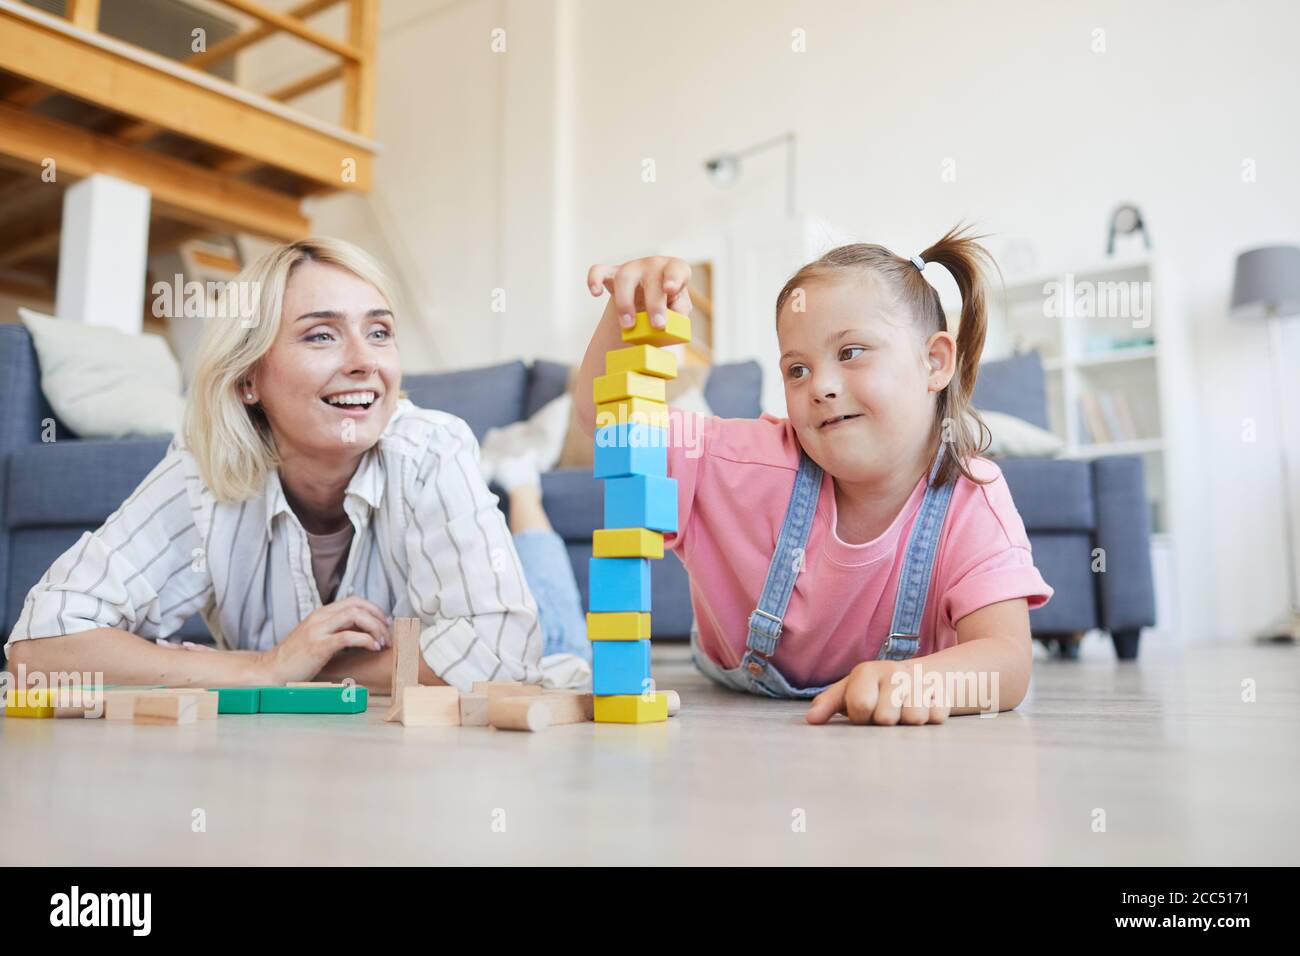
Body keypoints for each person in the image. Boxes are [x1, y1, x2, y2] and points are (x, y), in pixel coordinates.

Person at [5, 238, 589, 692]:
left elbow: (506, 651)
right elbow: (39, 643)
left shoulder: (433, 447)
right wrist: (262, 667)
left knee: (560, 621)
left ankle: (521, 483)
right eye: (321, 336)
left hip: (552, 649)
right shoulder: (204, 469)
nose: (365, 362)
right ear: (248, 379)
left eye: (379, 331)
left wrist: (300, 668)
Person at [574, 225, 1053, 725]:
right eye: (796, 370)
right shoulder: (744, 462)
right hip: (732, 679)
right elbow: (610, 427)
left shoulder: (972, 497)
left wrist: (919, 680)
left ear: (934, 362)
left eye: (850, 353)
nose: (820, 386)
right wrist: (623, 316)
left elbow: (1008, 661)